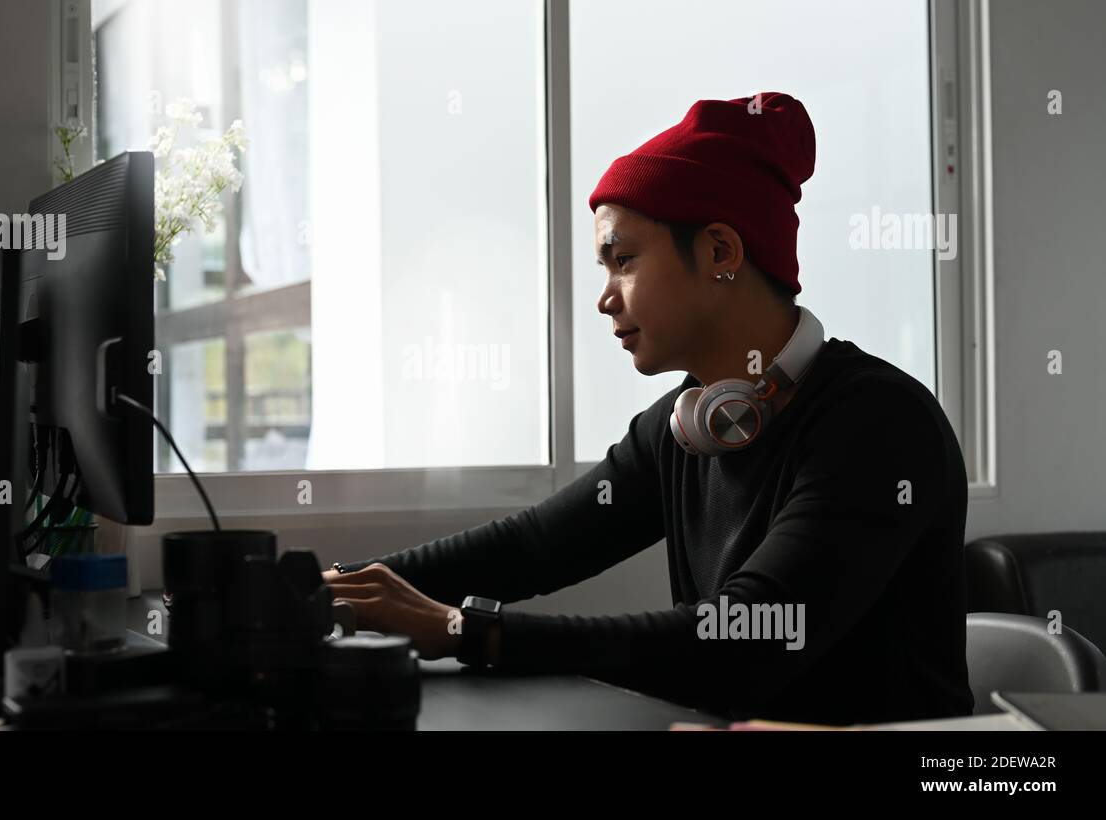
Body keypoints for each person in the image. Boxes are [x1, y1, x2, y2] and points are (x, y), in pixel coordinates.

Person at [323, 92, 973, 725]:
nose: (605, 298)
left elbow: (747, 640)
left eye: (623, 261)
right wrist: (330, 590)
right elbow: (534, 547)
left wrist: (468, 630)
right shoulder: (684, 426)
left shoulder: (877, 423)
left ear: (720, 252)